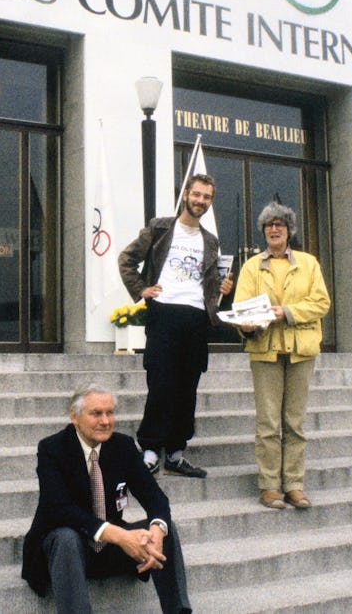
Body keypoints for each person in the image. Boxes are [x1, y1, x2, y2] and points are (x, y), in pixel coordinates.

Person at [21, 384, 191, 614]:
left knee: (165, 527)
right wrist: (120, 535)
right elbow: (59, 509)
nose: (105, 421)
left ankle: (178, 611)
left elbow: (155, 498)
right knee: (66, 537)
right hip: (65, 551)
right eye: (96, 413)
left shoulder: (123, 446)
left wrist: (157, 532)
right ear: (75, 416)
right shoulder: (52, 448)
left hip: (108, 547)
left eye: (110, 413)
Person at [118, 172, 233, 478]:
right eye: (197, 194)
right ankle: (150, 450)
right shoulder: (160, 228)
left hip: (196, 318)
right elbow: (126, 259)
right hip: (165, 314)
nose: (201, 201)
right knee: (160, 384)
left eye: (207, 197)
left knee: (187, 388)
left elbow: (209, 282)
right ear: (186, 195)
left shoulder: (211, 241)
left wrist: (223, 289)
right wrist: (141, 289)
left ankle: (176, 453)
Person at [233, 202, 330, 510]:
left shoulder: (308, 263)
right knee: (268, 424)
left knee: (294, 423)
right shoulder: (251, 266)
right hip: (265, 351)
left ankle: (294, 485)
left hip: (301, 351)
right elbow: (242, 307)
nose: (274, 229)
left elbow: (321, 303)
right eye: (269, 225)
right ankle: (269, 486)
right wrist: (246, 326)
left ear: (289, 230)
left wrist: (286, 312)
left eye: (279, 224)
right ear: (263, 231)